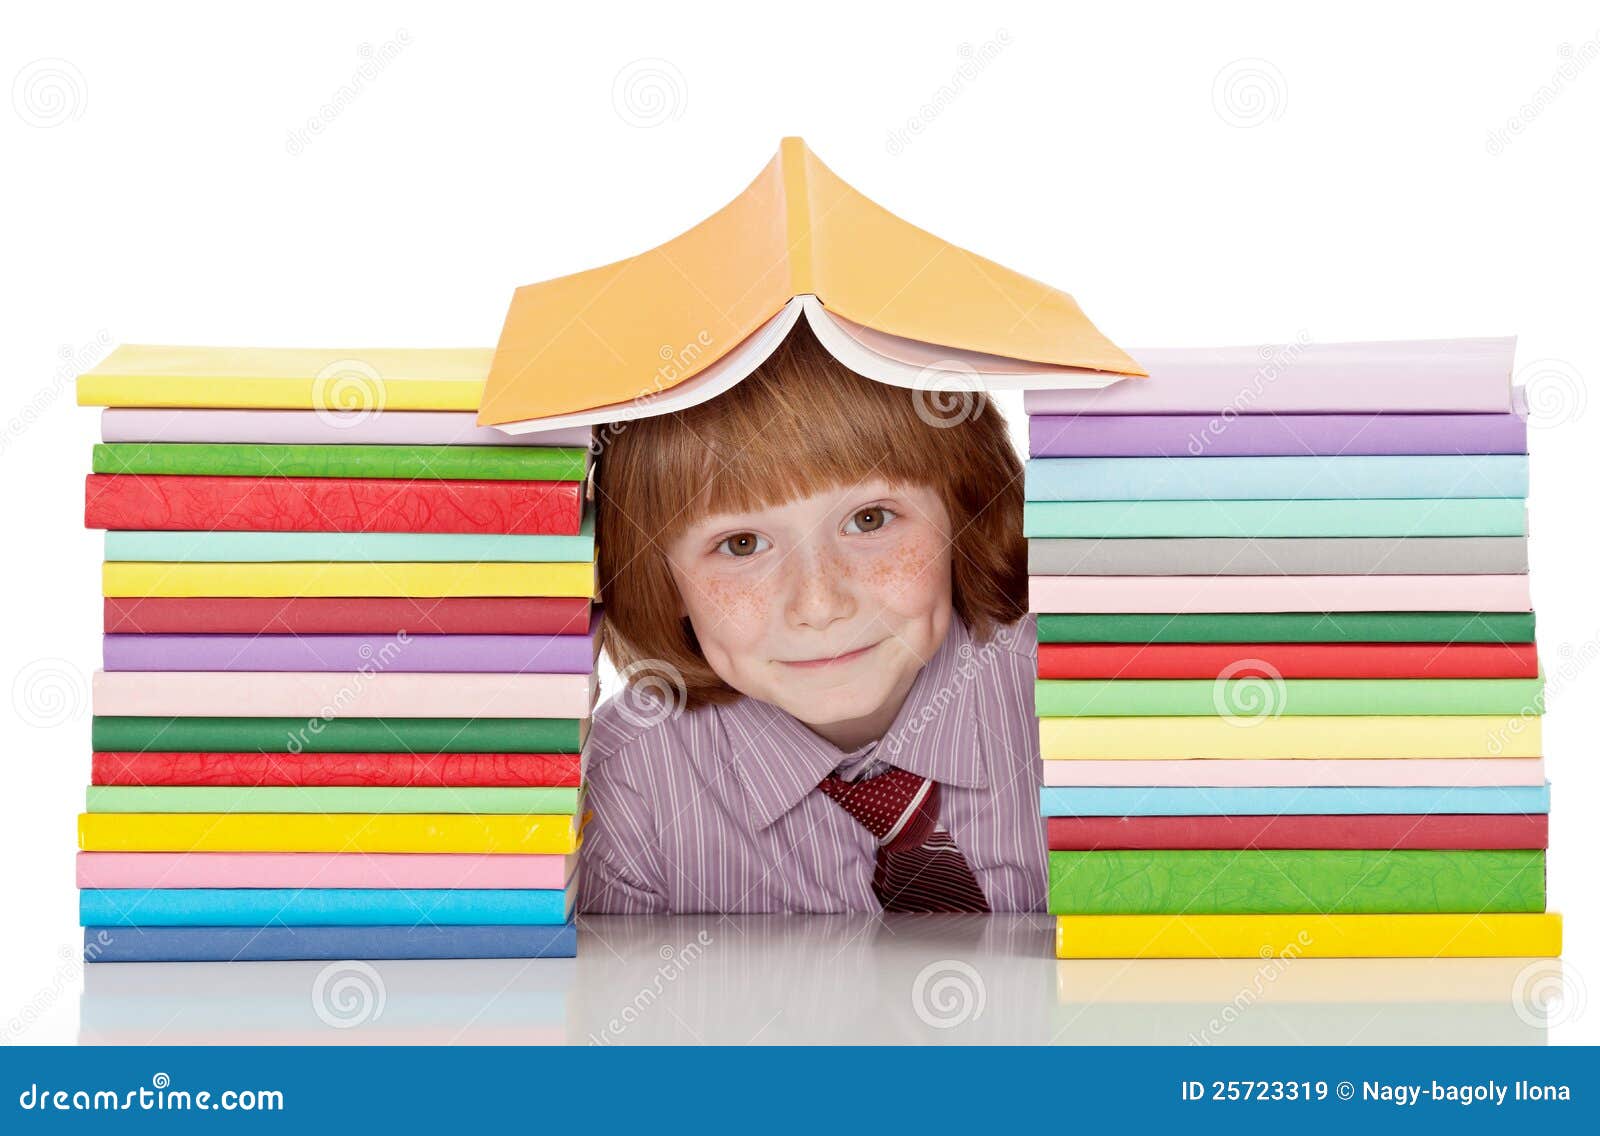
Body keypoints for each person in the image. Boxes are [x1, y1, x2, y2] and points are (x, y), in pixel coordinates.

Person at [579, 325, 1044, 913]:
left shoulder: (1089, 706)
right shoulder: (628, 788)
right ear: (662, 578)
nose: (820, 605)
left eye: (870, 520)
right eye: (742, 544)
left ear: (962, 516)